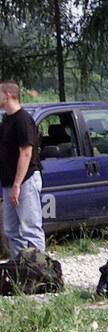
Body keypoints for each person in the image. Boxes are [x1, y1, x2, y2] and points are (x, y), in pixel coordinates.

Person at [0, 80, 44, 254]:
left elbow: (26, 154)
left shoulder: (23, 119)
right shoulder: (6, 119)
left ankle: (39, 274)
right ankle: (20, 271)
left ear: (9, 94)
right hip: (9, 182)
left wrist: (17, 185)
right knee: (11, 230)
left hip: (25, 181)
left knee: (30, 229)